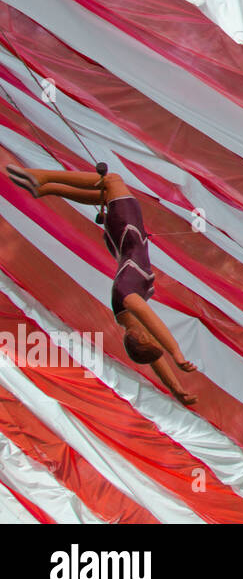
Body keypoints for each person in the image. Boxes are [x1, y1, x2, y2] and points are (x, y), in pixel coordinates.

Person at [7, 164, 198, 405]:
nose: (151, 335)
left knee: (112, 182)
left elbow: (155, 325)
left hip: (126, 232)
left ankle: (42, 175)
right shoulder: (122, 316)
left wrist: (176, 353)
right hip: (120, 240)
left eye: (148, 338)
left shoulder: (128, 298)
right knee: (107, 195)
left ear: (139, 337)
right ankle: (48, 188)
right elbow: (152, 357)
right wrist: (176, 388)